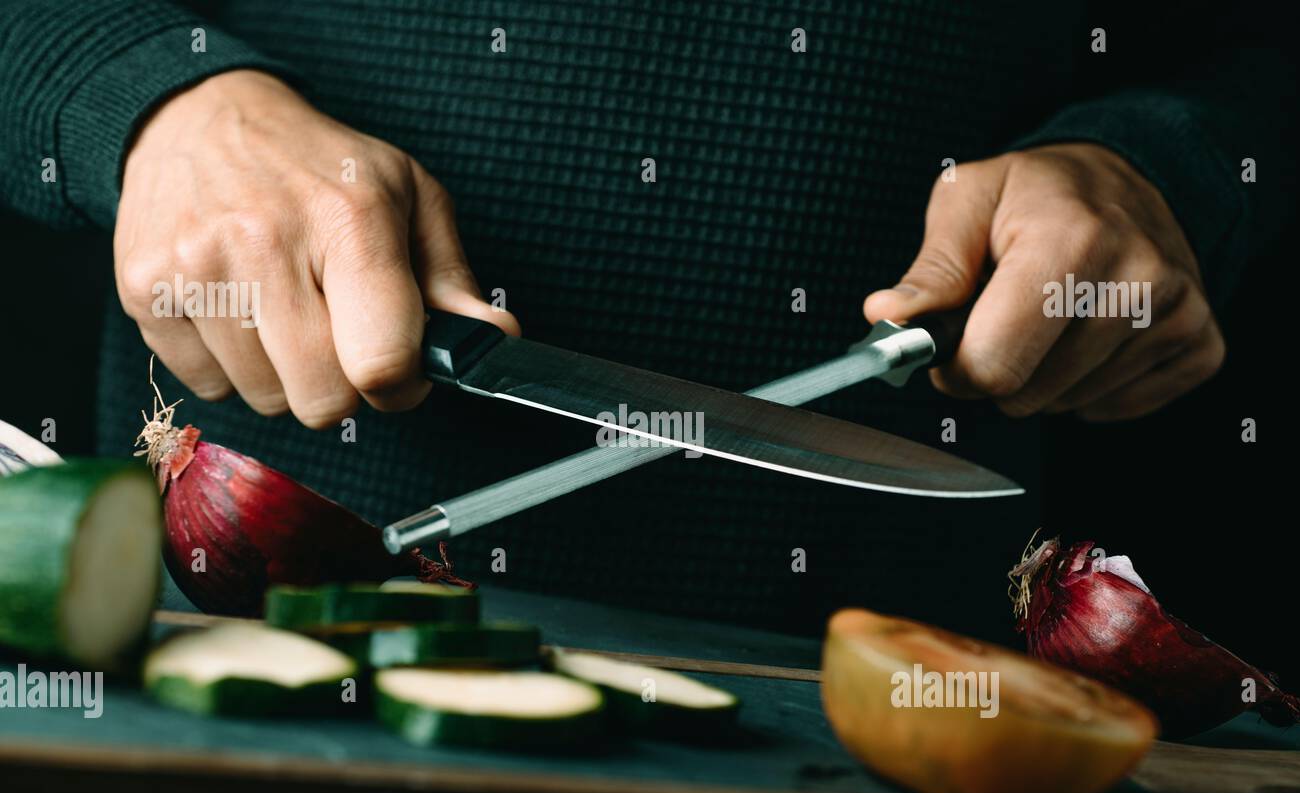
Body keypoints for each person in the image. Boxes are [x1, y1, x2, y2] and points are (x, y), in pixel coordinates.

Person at [0, 2, 1291, 639]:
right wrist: (145, 101)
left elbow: (1256, 52)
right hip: (244, 652)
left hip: (900, 690)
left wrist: (1160, 166)